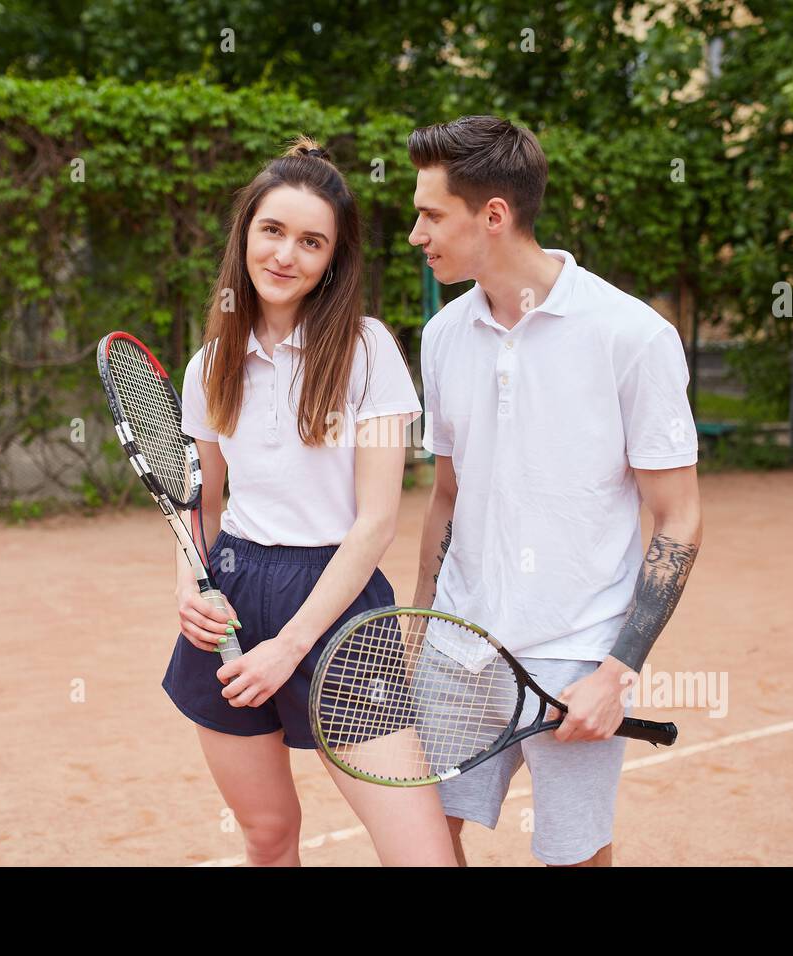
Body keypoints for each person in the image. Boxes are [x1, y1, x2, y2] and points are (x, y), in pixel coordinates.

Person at [407, 115, 703, 867]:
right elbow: (447, 495)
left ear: (494, 217)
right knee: (420, 849)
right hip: (456, 649)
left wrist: (614, 673)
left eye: (432, 214)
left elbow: (678, 517)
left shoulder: (632, 336)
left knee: (575, 860)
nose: (417, 233)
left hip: (578, 657)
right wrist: (421, 635)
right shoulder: (443, 335)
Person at [162, 136, 457, 867]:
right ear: (246, 234)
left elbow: (377, 522)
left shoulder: (369, 351)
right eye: (272, 231)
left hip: (339, 607)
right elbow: (201, 497)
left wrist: (290, 645)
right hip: (233, 592)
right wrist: (188, 586)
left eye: (311, 241)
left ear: (334, 258)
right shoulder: (211, 362)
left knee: (423, 856)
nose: (286, 255)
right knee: (268, 836)